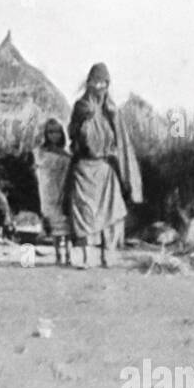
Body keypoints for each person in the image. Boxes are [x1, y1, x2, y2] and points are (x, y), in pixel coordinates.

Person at [64, 63, 142, 268]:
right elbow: (72, 133)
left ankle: (108, 255)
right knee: (84, 214)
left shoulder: (112, 110)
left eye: (103, 82)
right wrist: (84, 120)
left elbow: (121, 142)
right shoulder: (80, 107)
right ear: (88, 82)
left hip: (104, 169)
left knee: (111, 213)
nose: (99, 86)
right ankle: (86, 257)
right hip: (83, 169)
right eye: (95, 81)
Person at [33, 117, 72, 266]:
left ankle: (68, 256)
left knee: (66, 227)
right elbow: (40, 171)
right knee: (54, 227)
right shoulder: (40, 153)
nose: (54, 135)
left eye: (57, 132)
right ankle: (57, 256)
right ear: (46, 134)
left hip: (62, 192)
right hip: (48, 193)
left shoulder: (66, 155)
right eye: (50, 132)